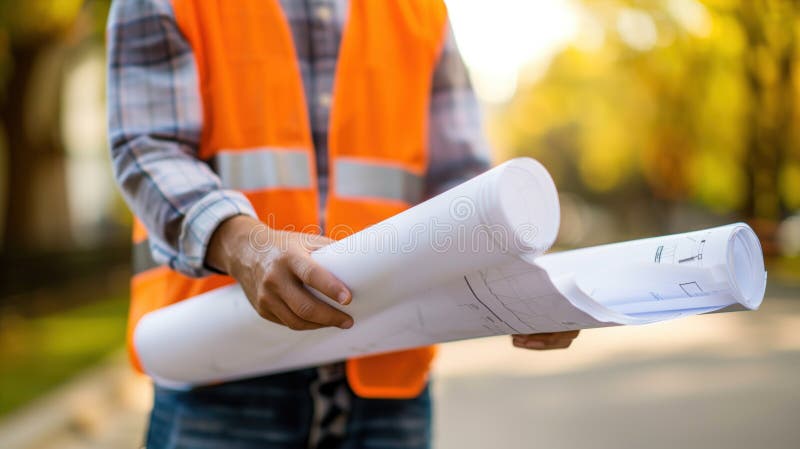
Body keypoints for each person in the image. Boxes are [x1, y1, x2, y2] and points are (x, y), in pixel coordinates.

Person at [107, 0, 580, 448]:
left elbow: (458, 180)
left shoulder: (419, 10)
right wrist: (242, 245)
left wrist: (521, 278)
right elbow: (148, 148)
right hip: (220, 371)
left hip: (386, 379)